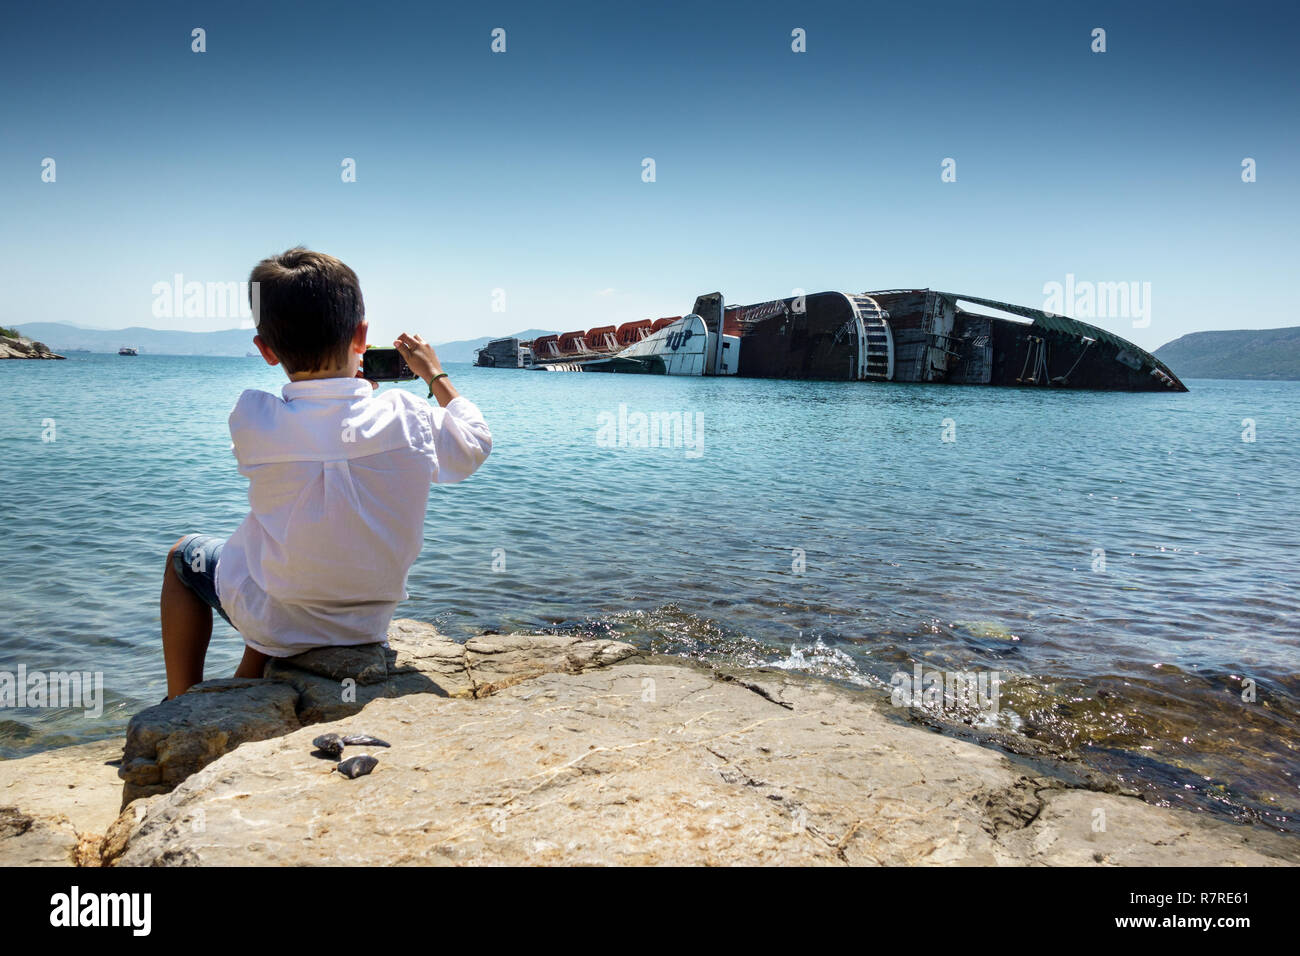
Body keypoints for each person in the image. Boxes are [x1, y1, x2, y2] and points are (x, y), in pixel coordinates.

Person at [160, 248, 491, 699]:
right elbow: (474, 443)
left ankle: (181, 702)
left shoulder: (253, 417)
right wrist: (434, 375)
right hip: (367, 623)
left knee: (184, 556)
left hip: (277, 612)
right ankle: (254, 675)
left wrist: (344, 397)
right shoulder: (408, 415)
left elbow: (319, 431)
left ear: (265, 350)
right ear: (362, 336)